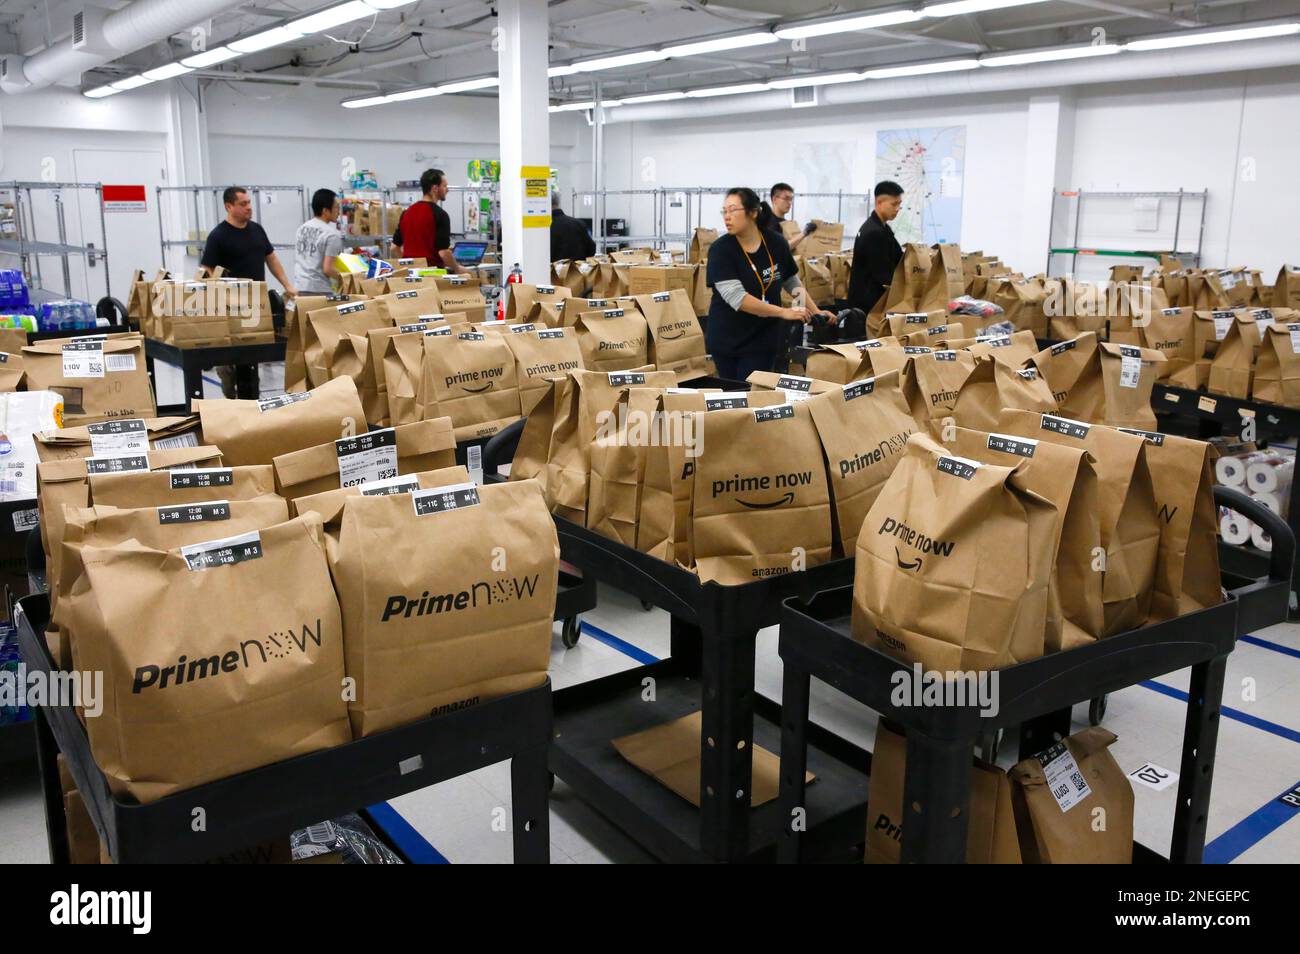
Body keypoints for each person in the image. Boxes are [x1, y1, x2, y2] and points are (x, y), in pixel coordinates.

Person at [705, 187, 820, 382]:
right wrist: (783, 312)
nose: (727, 217)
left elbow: (790, 281)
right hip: (729, 339)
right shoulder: (721, 250)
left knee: (755, 394)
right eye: (724, 211)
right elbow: (738, 298)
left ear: (753, 212)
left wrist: (812, 311)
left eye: (733, 210)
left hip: (763, 338)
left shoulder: (775, 243)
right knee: (736, 395)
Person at [200, 186, 297, 397]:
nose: (248, 207)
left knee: (250, 361)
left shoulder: (257, 230)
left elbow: (271, 258)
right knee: (231, 357)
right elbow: (207, 270)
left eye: (249, 203)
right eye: (243, 204)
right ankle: (226, 370)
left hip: (256, 305)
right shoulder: (218, 236)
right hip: (231, 307)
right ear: (229, 206)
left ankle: (251, 404)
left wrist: (287, 285)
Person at [847, 180, 904, 320]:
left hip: (872, 302)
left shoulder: (882, 228)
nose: (897, 209)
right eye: (894, 204)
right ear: (879, 202)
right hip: (868, 308)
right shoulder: (873, 232)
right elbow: (883, 274)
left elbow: (900, 257)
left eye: (899, 204)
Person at [392, 168, 466, 274]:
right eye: (444, 186)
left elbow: (394, 248)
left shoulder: (406, 213)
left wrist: (408, 266)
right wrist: (458, 269)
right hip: (434, 274)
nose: (447, 189)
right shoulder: (440, 214)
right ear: (435, 188)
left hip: (410, 274)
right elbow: (444, 253)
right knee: (476, 274)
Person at [293, 188, 343, 296]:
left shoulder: (301, 228)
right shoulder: (332, 234)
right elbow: (328, 269)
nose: (339, 211)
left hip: (299, 288)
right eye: (336, 207)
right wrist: (348, 277)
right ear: (325, 210)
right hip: (318, 291)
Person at [758, 182, 816, 253]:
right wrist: (804, 233)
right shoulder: (768, 222)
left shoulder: (786, 223)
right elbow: (779, 247)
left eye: (791, 199)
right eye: (786, 198)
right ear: (774, 199)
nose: (789, 202)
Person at [550, 191, 596, 262]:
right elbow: (591, 250)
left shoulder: (543, 228)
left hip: (552, 272)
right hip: (578, 272)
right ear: (558, 202)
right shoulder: (579, 224)